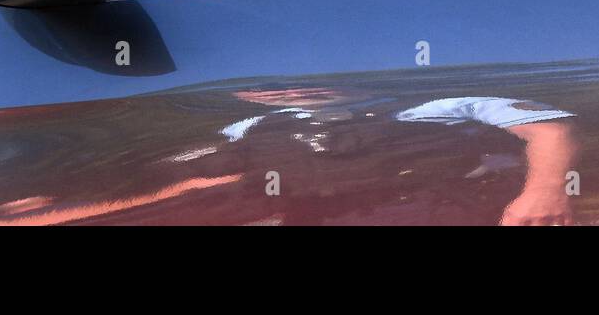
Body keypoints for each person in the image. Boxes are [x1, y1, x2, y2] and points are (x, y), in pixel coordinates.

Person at [216, 84, 579, 225]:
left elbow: (548, 128)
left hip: (439, 211)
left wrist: (541, 195)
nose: (288, 92)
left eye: (298, 83)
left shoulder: (435, 102)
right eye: (265, 89)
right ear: (244, 96)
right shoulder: (251, 128)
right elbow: (217, 176)